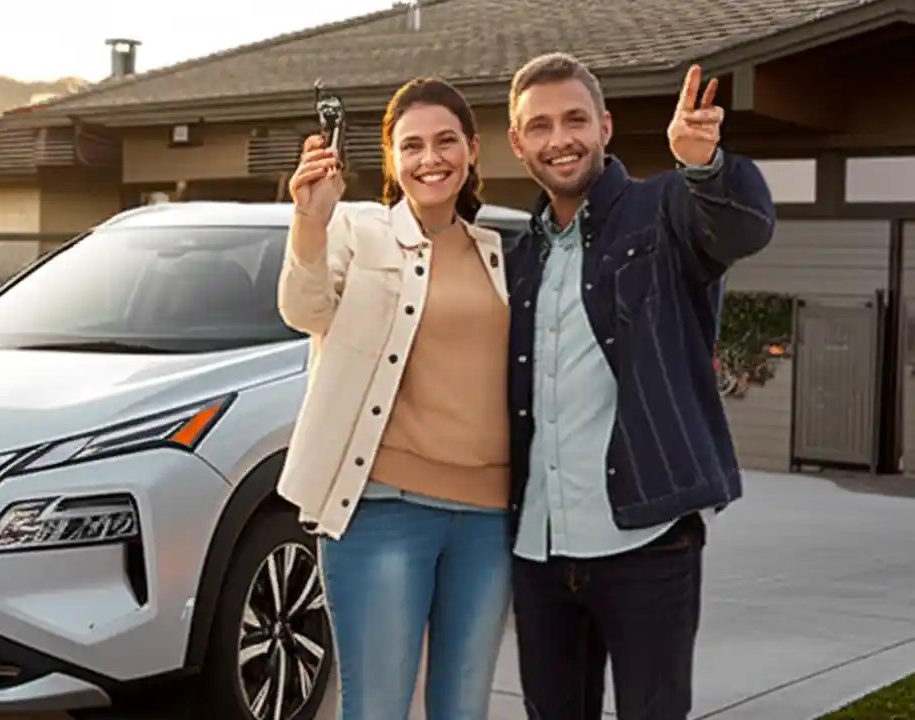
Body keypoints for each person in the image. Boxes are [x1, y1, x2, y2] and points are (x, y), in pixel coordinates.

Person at [500, 52, 775, 719]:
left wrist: (704, 164)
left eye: (575, 120)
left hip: (646, 541)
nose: (559, 139)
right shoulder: (518, 259)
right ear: (518, 143)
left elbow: (745, 226)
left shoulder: (666, 209)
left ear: (605, 127)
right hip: (539, 548)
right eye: (540, 126)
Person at [276, 76, 513, 719]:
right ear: (391, 158)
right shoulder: (359, 230)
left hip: (488, 519)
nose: (430, 158)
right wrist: (310, 219)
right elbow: (305, 309)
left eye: (445, 141)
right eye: (411, 145)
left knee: (463, 708)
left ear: (472, 150)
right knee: (378, 706)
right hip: (384, 510)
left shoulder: (497, 253)